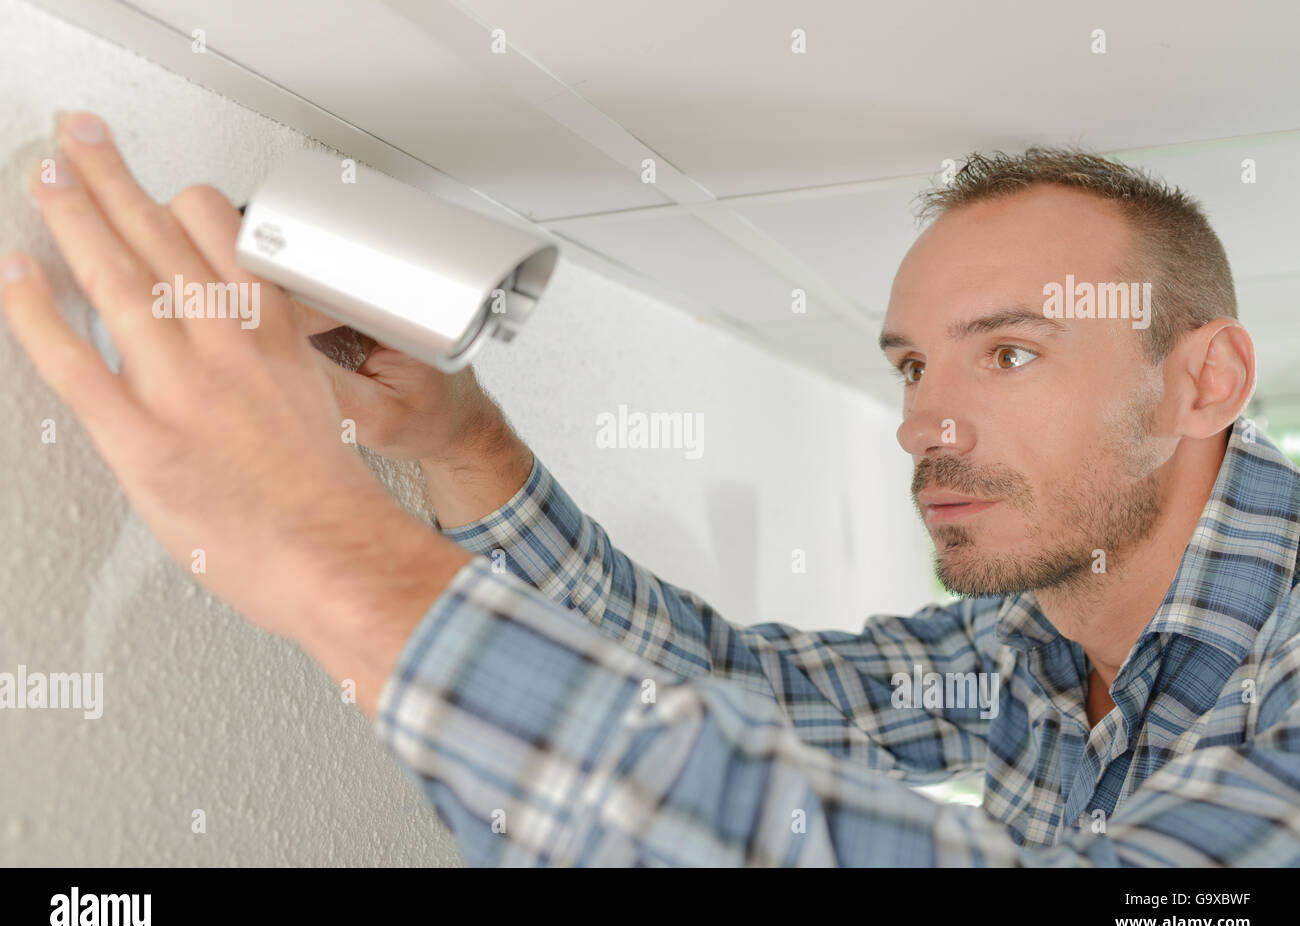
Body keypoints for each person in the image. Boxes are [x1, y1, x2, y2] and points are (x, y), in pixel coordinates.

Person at [4, 111, 1298, 866]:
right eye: (912, 363)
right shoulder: (1016, 645)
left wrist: (326, 553)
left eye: (1010, 352)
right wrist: (465, 446)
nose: (923, 423)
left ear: (1204, 381)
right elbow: (733, 689)